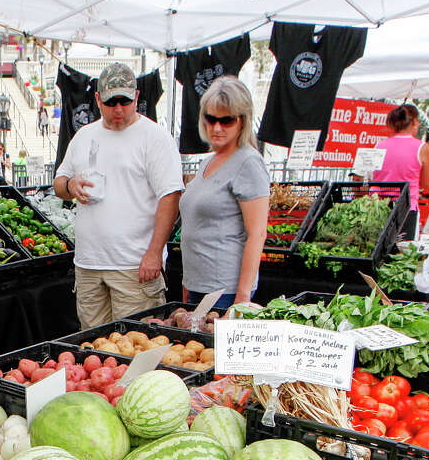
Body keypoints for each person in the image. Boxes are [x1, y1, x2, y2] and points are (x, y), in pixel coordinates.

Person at [54, 62, 183, 328]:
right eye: (112, 102)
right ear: (98, 99)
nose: (119, 109)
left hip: (133, 266)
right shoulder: (83, 136)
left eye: (125, 101)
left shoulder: (154, 137)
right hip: (89, 265)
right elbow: (59, 181)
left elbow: (170, 196)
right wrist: (70, 185)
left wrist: (154, 253)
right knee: (92, 346)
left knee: (136, 346)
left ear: (137, 97)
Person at [177, 77, 269, 309]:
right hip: (198, 284)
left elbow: (257, 234)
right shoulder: (207, 162)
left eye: (226, 120)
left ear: (242, 121)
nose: (217, 128)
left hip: (225, 289)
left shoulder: (248, 162)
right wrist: (188, 281)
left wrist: (242, 297)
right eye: (211, 119)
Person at [371, 103, 429, 240]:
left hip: (379, 206)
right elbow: (426, 183)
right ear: (414, 122)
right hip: (406, 208)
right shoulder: (422, 147)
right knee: (403, 252)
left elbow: (374, 176)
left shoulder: (379, 145)